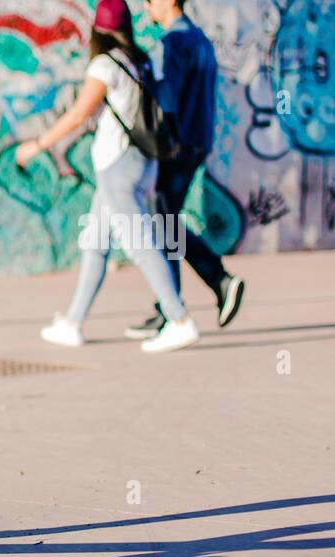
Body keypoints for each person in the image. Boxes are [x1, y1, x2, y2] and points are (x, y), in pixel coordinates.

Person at [15, 0, 199, 353]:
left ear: (96, 30)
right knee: (97, 243)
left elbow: (78, 115)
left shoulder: (106, 65)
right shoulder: (139, 59)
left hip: (118, 167)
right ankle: (72, 322)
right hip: (143, 163)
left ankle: (179, 320)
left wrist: (36, 145)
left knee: (139, 243)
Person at [125, 0, 245, 340]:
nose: (147, 7)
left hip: (176, 146)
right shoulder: (198, 38)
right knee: (167, 221)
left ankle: (210, 284)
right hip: (195, 142)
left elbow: (168, 99)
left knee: (163, 222)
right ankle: (173, 303)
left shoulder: (174, 42)